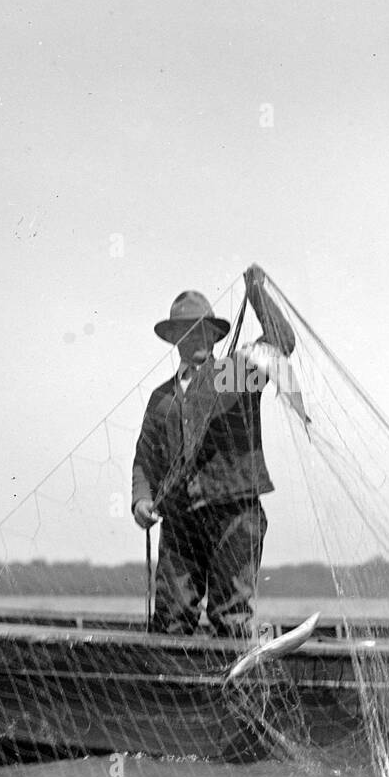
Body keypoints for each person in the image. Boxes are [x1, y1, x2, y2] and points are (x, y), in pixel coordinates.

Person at [131, 264, 296, 636]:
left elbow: (282, 342)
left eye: (205, 328)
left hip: (234, 515)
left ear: (215, 334)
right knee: (171, 620)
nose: (198, 336)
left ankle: (234, 688)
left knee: (231, 618)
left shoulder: (237, 373)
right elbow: (144, 460)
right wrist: (141, 501)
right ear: (175, 339)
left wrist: (256, 292)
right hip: (179, 521)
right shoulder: (161, 399)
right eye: (188, 330)